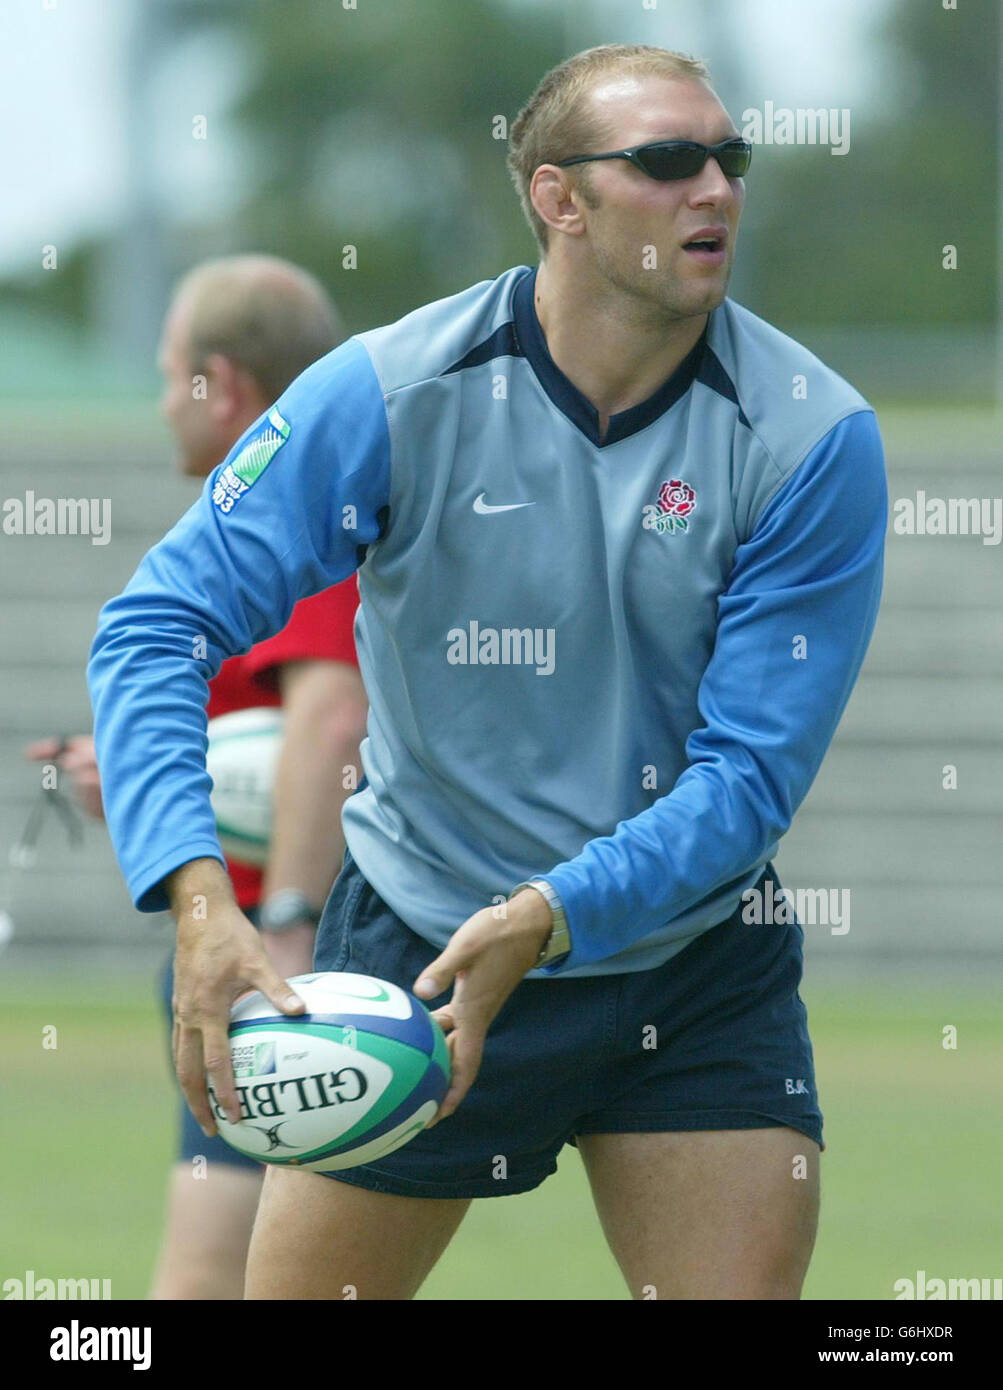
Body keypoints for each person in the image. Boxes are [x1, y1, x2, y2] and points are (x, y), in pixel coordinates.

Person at [88, 45, 887, 1300]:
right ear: (559, 199)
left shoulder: (811, 436)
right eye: (669, 162)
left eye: (729, 159)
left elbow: (746, 782)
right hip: (417, 942)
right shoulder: (387, 390)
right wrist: (200, 904)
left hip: (691, 966)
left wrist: (549, 916)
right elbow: (154, 622)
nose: (716, 190)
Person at [30, 254, 368, 1299]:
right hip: (258, 940)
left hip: (274, 959)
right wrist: (133, 782)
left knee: (206, 1276)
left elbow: (326, 721)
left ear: (219, 384)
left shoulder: (304, 511)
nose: (159, 398)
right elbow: (264, 738)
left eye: (168, 370)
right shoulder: (273, 513)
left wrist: (287, 927)